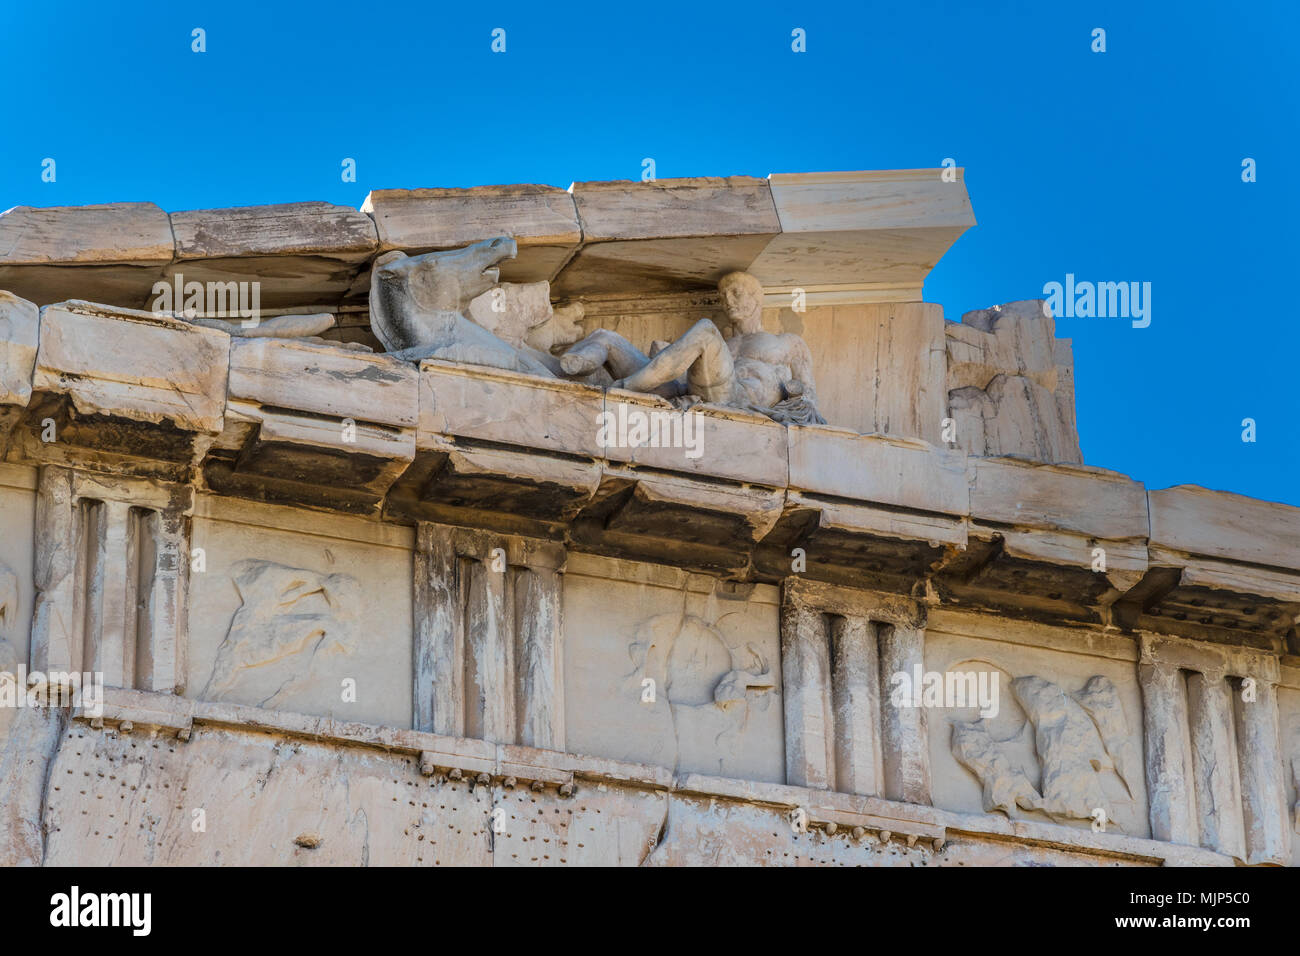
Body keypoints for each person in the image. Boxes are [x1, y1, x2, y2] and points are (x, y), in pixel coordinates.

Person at [560, 271, 825, 424]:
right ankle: (569, 368)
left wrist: (792, 399)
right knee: (606, 336)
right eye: (723, 296)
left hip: (739, 399)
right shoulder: (728, 344)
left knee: (706, 330)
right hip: (692, 390)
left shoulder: (788, 342)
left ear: (757, 297)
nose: (728, 301)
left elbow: (809, 399)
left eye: (736, 293)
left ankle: (623, 388)